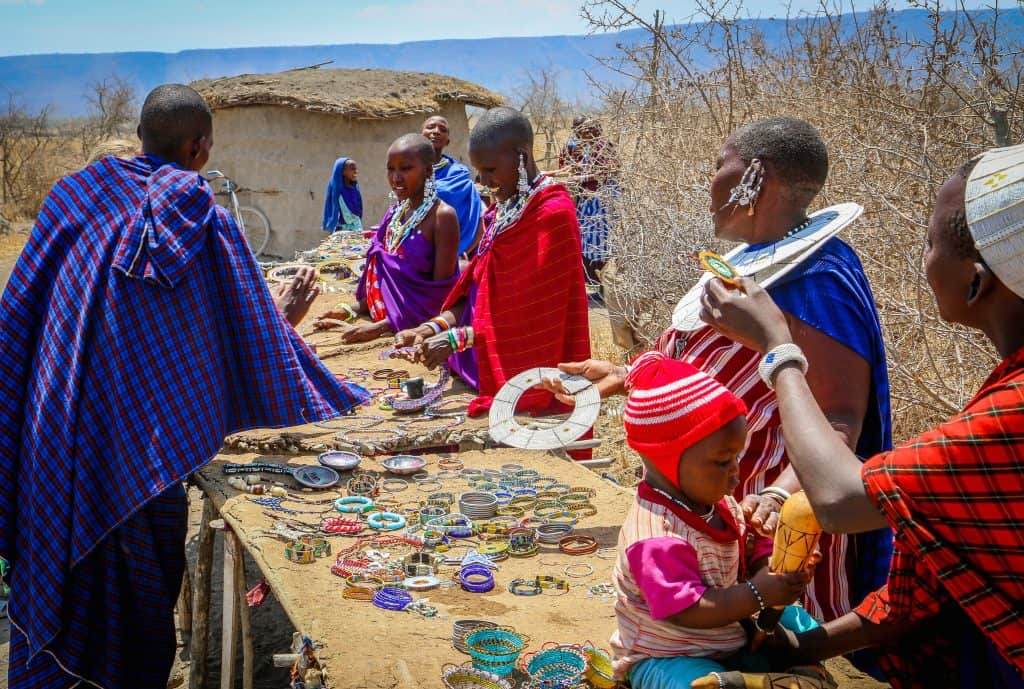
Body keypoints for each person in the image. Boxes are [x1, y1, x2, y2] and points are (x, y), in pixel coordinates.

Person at [0, 84, 370, 689]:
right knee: (137, 610)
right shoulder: (202, 220)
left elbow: (19, 315)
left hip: (54, 432)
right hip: (141, 458)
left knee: (62, 586)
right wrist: (291, 327)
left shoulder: (73, 196)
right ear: (200, 147)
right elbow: (237, 337)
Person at [546, 117, 893, 626]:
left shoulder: (819, 281)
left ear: (756, 174)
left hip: (771, 520)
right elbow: (703, 361)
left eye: (718, 166)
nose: (709, 182)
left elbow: (840, 418)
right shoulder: (750, 264)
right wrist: (627, 374)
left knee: (778, 646)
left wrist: (780, 496)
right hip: (712, 505)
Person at [699, 147, 1024, 688]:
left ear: (976, 280)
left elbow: (840, 497)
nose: (922, 261)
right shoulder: (1003, 391)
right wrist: (800, 646)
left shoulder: (1011, 412)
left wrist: (777, 347)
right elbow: (919, 593)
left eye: (929, 241)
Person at [612, 351, 827, 689]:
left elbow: (749, 547)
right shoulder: (654, 534)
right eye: (722, 460)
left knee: (799, 620)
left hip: (731, 637)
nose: (735, 472)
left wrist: (773, 567)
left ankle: (786, 673)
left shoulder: (718, 504)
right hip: (671, 654)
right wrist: (759, 592)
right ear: (666, 459)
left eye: (736, 457)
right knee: (685, 683)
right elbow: (689, 610)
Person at [395, 107, 590, 418]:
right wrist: (430, 328)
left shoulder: (552, 215)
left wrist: (459, 339)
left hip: (542, 387)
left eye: (490, 170)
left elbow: (534, 318)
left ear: (522, 157)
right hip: (499, 373)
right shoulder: (501, 213)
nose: (484, 182)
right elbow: (477, 291)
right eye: (479, 173)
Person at [319, 134, 459, 344]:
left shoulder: (442, 217)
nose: (396, 177)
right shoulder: (394, 215)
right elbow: (385, 285)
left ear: (428, 171)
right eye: (391, 169)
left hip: (416, 330)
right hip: (383, 317)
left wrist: (382, 327)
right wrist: (350, 309)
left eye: (406, 168)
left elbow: (438, 298)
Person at [554, 115, 619, 290]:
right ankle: (595, 283)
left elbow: (606, 172)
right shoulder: (588, 148)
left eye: (579, 132)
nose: (577, 136)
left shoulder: (603, 146)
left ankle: (602, 284)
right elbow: (578, 166)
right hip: (591, 197)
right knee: (588, 239)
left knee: (598, 241)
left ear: (588, 131)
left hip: (601, 200)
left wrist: (578, 178)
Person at [422, 115, 484, 255]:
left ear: (447, 141)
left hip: (457, 252)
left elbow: (479, 219)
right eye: (430, 127)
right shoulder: (410, 170)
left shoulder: (459, 175)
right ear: (421, 135)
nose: (436, 131)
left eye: (442, 130)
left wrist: (464, 252)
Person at [322, 156, 363, 232]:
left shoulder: (355, 188)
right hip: (342, 231)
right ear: (342, 171)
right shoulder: (337, 190)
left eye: (356, 169)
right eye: (352, 169)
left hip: (357, 228)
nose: (356, 171)